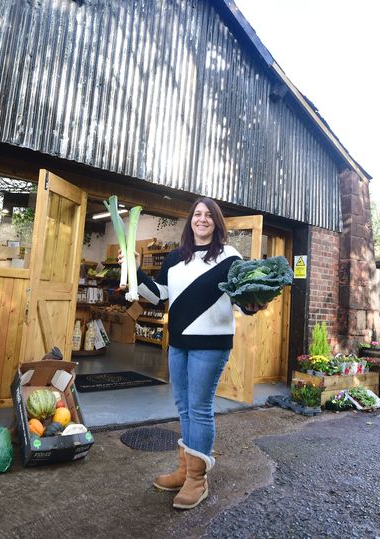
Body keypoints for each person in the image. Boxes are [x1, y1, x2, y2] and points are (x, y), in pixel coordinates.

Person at [120, 197, 265, 510]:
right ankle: (185, 470)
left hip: (210, 345)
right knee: (184, 407)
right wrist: (133, 268)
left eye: (208, 215)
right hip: (178, 343)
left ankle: (197, 480)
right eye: (197, 214)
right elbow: (159, 295)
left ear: (216, 221)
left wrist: (254, 302)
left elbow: (243, 301)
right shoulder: (175, 257)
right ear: (191, 221)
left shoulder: (230, 257)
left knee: (199, 408)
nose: (202, 219)